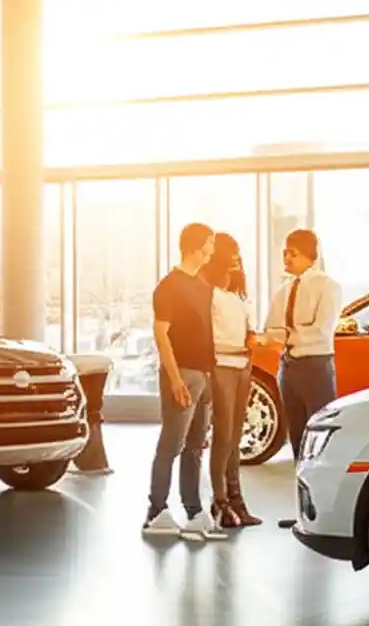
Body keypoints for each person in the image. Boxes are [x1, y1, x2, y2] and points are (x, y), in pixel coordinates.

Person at [142, 223, 226, 541]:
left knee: (194, 448)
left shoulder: (202, 286)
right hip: (182, 374)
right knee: (171, 445)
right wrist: (175, 379)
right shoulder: (168, 287)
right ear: (193, 247)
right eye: (208, 244)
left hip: (203, 375)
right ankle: (156, 511)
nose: (211, 250)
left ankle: (193, 510)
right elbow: (161, 335)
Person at [261, 228, 343, 529]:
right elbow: (270, 329)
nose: (286, 257)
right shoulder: (282, 291)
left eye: (292, 252)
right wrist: (284, 338)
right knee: (296, 437)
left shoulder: (328, 287)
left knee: (321, 439)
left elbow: (321, 330)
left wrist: (284, 336)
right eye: (285, 251)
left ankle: (328, 512)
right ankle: (303, 513)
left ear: (310, 255)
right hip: (289, 366)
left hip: (316, 366)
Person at [201, 233, 263, 528]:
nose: (237, 257)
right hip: (222, 366)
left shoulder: (237, 293)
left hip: (243, 366)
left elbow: (247, 328)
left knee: (235, 437)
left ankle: (237, 500)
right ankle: (220, 502)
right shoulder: (208, 292)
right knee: (223, 437)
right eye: (233, 251)